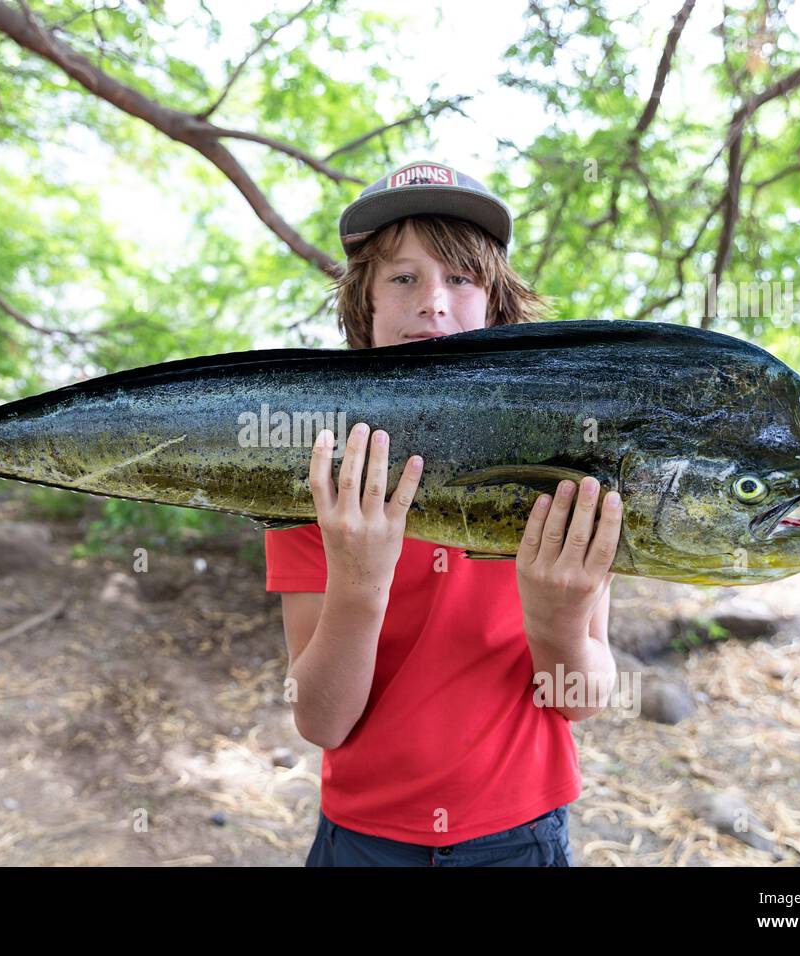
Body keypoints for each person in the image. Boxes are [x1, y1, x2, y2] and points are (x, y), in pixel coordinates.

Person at [265, 160, 622, 867]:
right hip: (364, 840)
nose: (434, 302)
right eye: (403, 278)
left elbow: (584, 698)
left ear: (495, 308)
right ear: (362, 311)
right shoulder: (315, 472)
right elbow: (322, 722)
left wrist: (557, 623)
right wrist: (359, 581)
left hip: (522, 833)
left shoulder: (560, 464)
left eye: (460, 279)